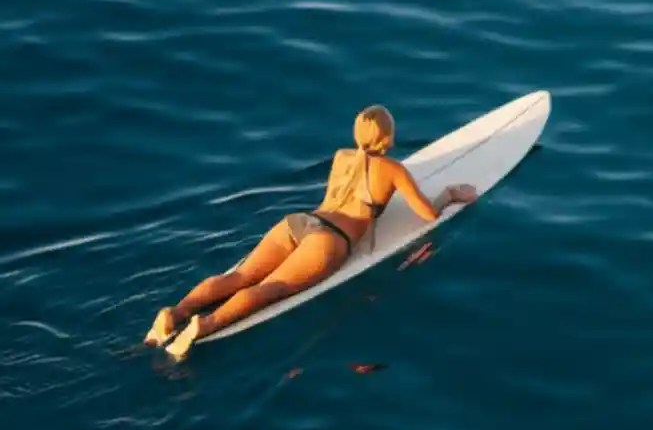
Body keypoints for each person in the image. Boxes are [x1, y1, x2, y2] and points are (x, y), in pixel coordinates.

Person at [145, 105, 476, 359]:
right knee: (269, 288)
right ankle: (206, 324)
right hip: (329, 242)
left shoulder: (342, 157)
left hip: (300, 222)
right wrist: (449, 195)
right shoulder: (393, 170)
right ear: (387, 138)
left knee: (240, 276)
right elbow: (428, 214)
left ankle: (176, 312)